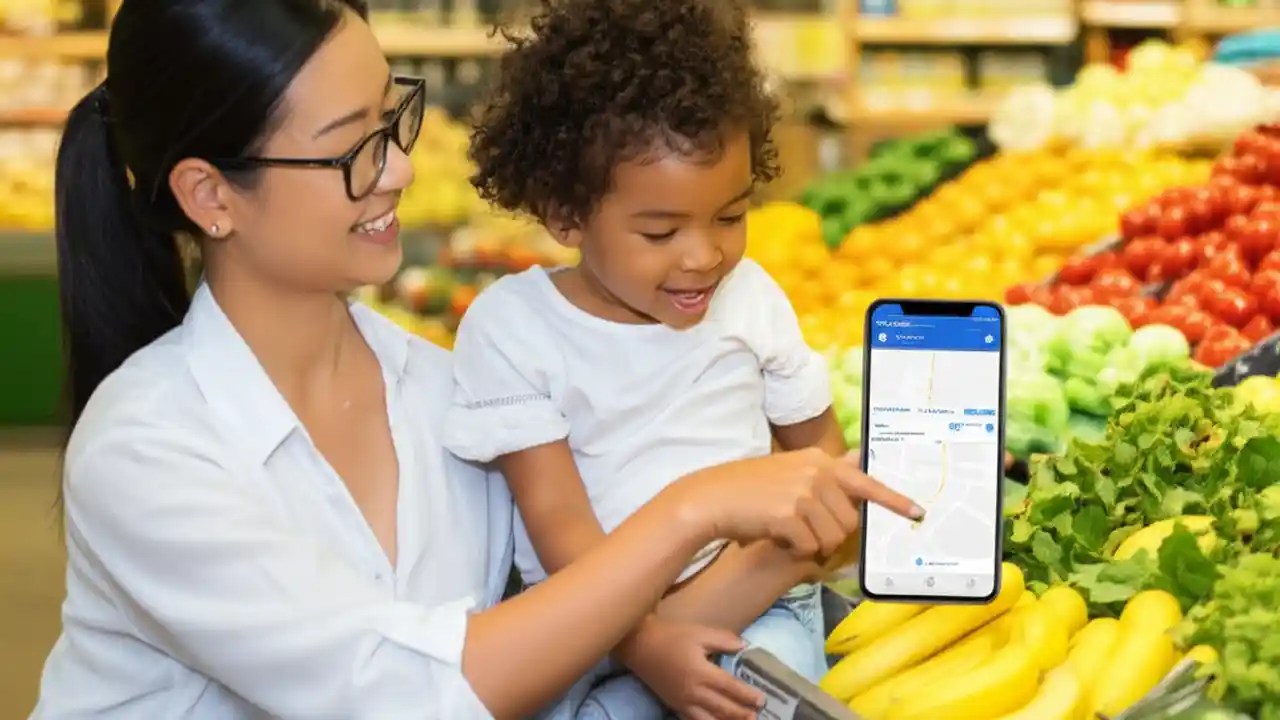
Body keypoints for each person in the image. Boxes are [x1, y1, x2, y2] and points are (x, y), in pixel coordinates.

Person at [34, 2, 922, 719]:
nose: (398, 173)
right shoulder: (147, 447)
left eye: (395, 118)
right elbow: (404, 693)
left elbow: (563, 645)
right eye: (352, 147)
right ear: (210, 193)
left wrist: (771, 560)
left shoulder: (445, 395)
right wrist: (694, 509)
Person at [444, 2, 915, 718]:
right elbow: (566, 537)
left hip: (755, 604)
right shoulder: (514, 330)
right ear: (566, 215)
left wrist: (810, 533)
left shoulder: (751, 299)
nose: (705, 257)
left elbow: (819, 455)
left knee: (776, 694)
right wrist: (646, 647)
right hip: (589, 630)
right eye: (660, 232)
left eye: (731, 216)